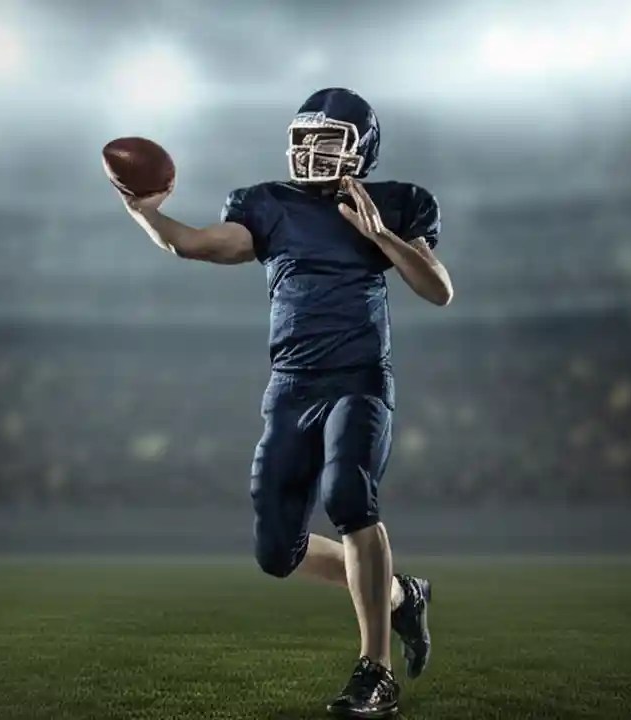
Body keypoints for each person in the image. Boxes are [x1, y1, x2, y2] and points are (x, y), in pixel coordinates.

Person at [116, 87, 452, 718]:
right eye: (304, 141)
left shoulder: (397, 204)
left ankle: (374, 672)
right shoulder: (267, 206)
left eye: (327, 141)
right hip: (292, 386)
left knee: (350, 501)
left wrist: (381, 236)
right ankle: (403, 596)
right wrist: (144, 212)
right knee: (278, 553)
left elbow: (439, 290)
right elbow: (191, 243)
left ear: (361, 149)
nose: (311, 153)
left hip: (359, 378)